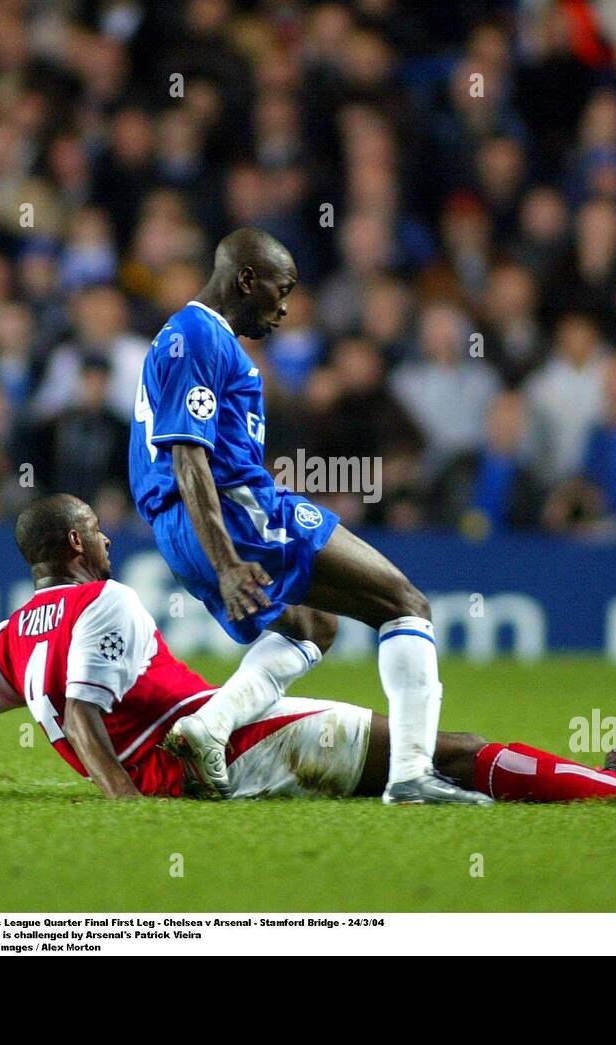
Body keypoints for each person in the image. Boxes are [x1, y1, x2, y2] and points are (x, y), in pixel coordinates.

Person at [0, 494, 616, 810]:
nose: (106, 536)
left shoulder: (8, 637)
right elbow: (94, 720)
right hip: (223, 751)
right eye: (93, 529)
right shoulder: (104, 600)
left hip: (190, 759)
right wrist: (126, 810)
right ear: (70, 550)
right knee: (444, 748)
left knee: (325, 655)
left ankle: (603, 780)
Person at [128, 228, 486, 806]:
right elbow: (188, 455)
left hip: (186, 525)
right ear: (247, 279)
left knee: (313, 624)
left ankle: (209, 726)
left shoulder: (189, 337)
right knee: (407, 604)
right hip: (235, 515)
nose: (286, 306)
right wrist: (226, 561)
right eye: (281, 288)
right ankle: (413, 775)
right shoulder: (199, 335)